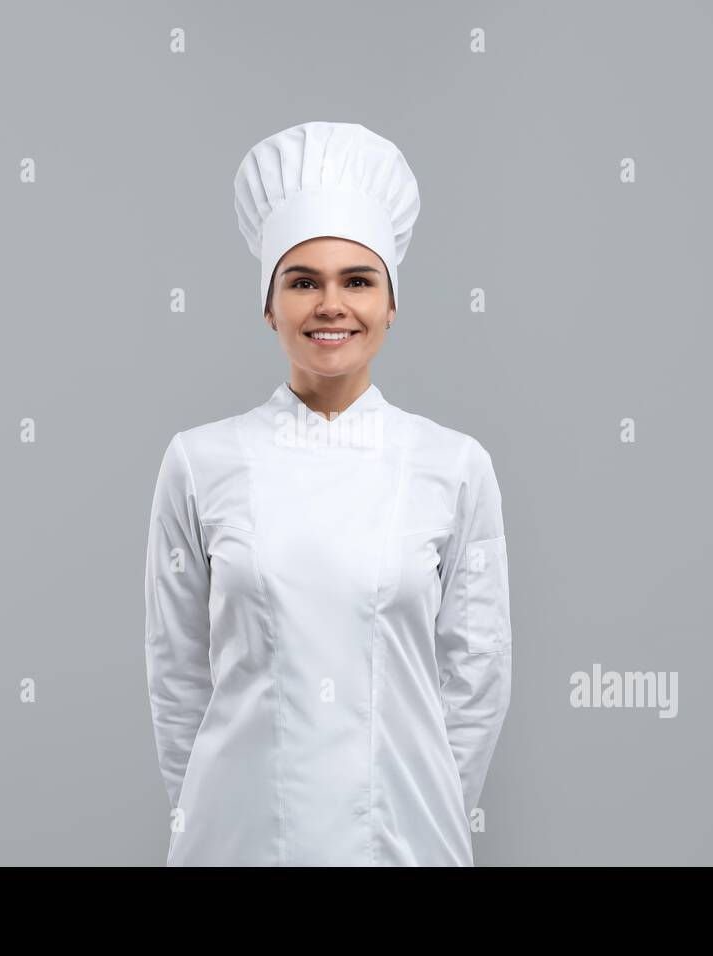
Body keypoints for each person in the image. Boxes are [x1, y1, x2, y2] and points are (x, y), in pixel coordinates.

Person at [144, 121, 512, 866]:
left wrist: (419, 807)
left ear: (392, 303)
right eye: (303, 281)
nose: (331, 305)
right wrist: (212, 822)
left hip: (405, 842)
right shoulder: (199, 462)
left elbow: (476, 684)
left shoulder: (453, 466)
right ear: (269, 305)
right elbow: (178, 679)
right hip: (236, 842)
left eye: (358, 280)